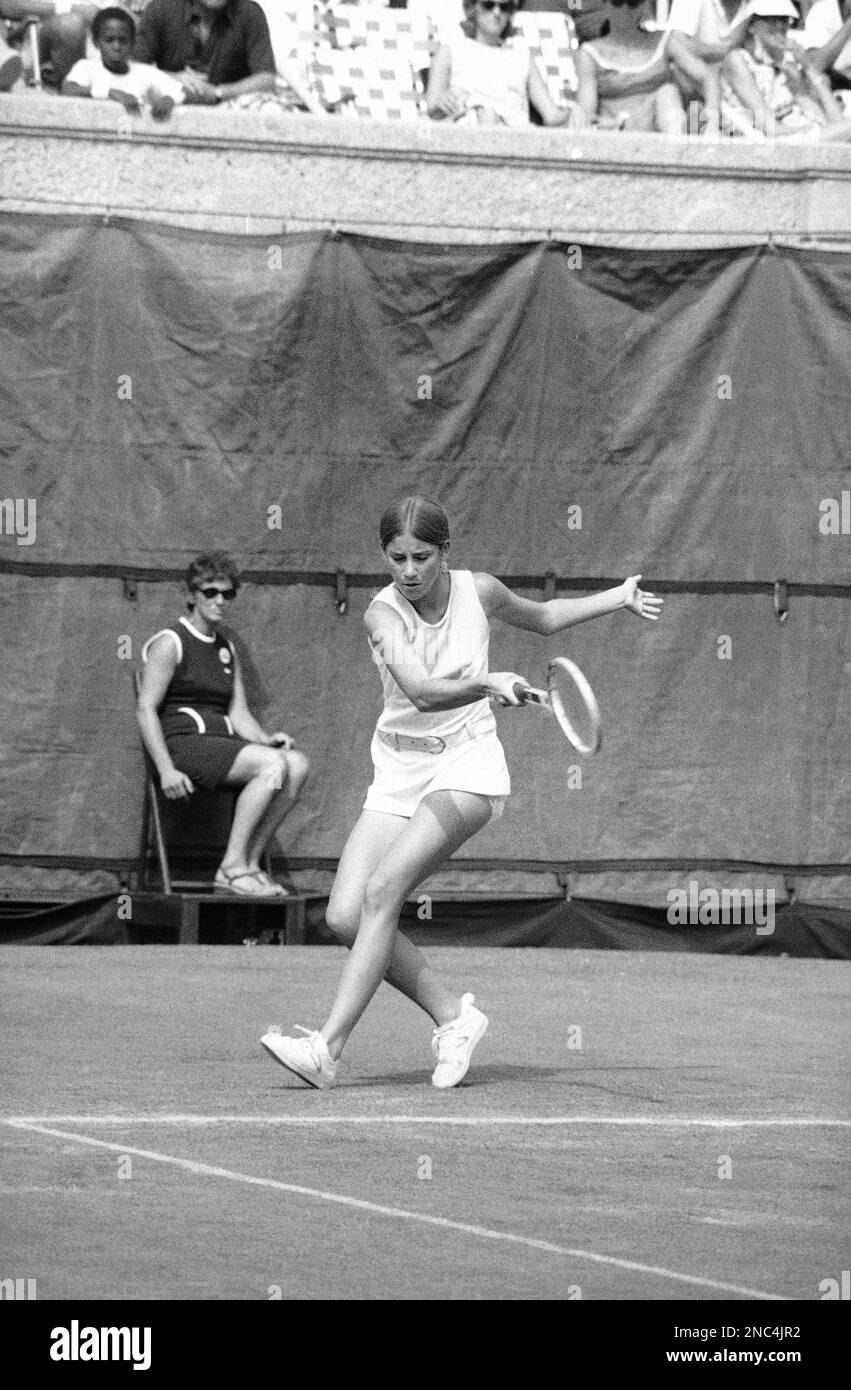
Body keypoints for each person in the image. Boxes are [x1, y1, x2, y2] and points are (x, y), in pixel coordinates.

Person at [261, 497, 662, 1090]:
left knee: (383, 889)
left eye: (422, 557)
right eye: (396, 558)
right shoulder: (382, 615)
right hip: (397, 768)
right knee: (345, 915)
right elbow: (421, 692)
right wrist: (487, 681)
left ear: (446, 552)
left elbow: (546, 616)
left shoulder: (482, 591)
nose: (409, 570)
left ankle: (328, 1048)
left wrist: (617, 596)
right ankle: (455, 1018)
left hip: (468, 766)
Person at [136, 553, 309, 898]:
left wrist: (265, 739)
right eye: (210, 592)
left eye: (227, 594)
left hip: (220, 745)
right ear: (190, 595)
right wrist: (166, 770)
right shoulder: (170, 642)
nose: (219, 601)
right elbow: (145, 708)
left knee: (297, 764)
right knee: (270, 766)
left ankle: (249, 863)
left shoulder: (225, 647)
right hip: (182, 746)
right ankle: (230, 868)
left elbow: (238, 712)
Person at [426, 0, 578, 125]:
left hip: (513, 140)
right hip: (467, 134)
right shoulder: (451, 52)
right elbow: (432, 109)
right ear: (473, 8)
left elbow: (552, 115)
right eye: (488, 5)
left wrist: (575, 112)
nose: (497, 13)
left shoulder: (521, 57)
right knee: (487, 116)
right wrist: (443, 104)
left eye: (504, 7)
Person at [576, 0, 714, 134]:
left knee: (667, 92)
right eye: (618, 2)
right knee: (668, 92)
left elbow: (708, 77)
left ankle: (678, 144)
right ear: (606, 4)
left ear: (644, 5)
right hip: (616, 132)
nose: (625, 9)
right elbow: (587, 114)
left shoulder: (664, 41)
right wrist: (616, 123)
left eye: (633, 3)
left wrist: (712, 113)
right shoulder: (590, 53)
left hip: (663, 124)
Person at [722, 0, 851, 137]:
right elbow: (771, 128)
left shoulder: (787, 66)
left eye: (784, 20)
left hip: (803, 135)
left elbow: (834, 119)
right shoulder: (738, 60)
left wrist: (809, 68)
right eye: (771, 19)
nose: (779, 26)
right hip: (779, 142)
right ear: (751, 25)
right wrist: (809, 130)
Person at [132, 0, 276, 106]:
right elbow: (132, 69)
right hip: (171, 106)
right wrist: (173, 79)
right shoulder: (162, 8)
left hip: (229, 111)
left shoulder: (249, 13)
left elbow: (266, 79)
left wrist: (217, 93)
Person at [62, 7, 185, 118]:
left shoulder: (144, 72)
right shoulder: (87, 67)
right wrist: (109, 92)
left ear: (132, 43)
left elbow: (179, 91)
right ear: (96, 42)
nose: (116, 46)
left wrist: (169, 99)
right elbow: (69, 89)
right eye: (109, 40)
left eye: (123, 40)